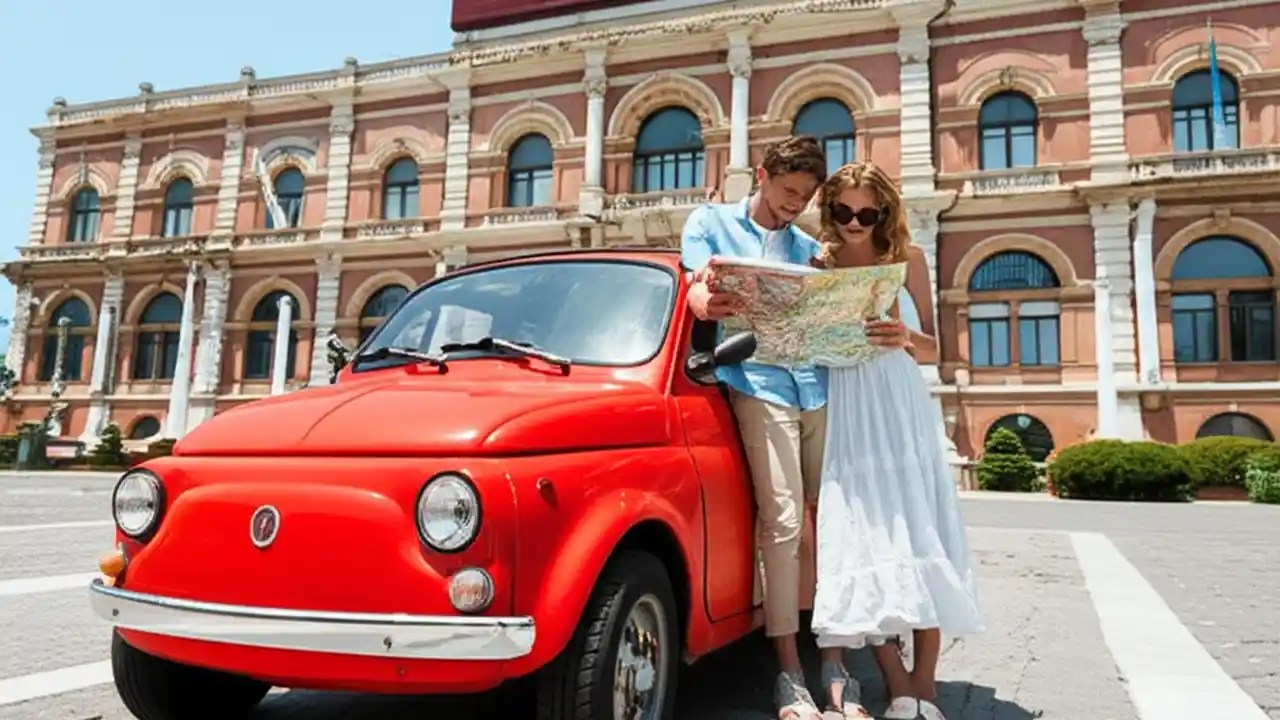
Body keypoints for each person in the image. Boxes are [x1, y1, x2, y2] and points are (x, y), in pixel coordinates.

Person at [808, 161, 984, 720]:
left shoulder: (908, 259)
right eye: (844, 212)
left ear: (885, 212)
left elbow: (937, 350)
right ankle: (895, 680)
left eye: (868, 213)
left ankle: (924, 686)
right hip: (850, 405)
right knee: (868, 539)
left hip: (900, 402)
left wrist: (905, 335)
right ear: (829, 209)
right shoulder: (819, 263)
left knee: (919, 530)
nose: (855, 222)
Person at [680, 135, 830, 720]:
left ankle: (832, 651)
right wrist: (699, 298)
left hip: (815, 384)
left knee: (828, 519)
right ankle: (788, 672)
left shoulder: (808, 247)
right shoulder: (711, 223)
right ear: (762, 175)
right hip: (755, 382)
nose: (796, 204)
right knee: (786, 519)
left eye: (805, 196)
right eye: (789, 192)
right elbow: (696, 282)